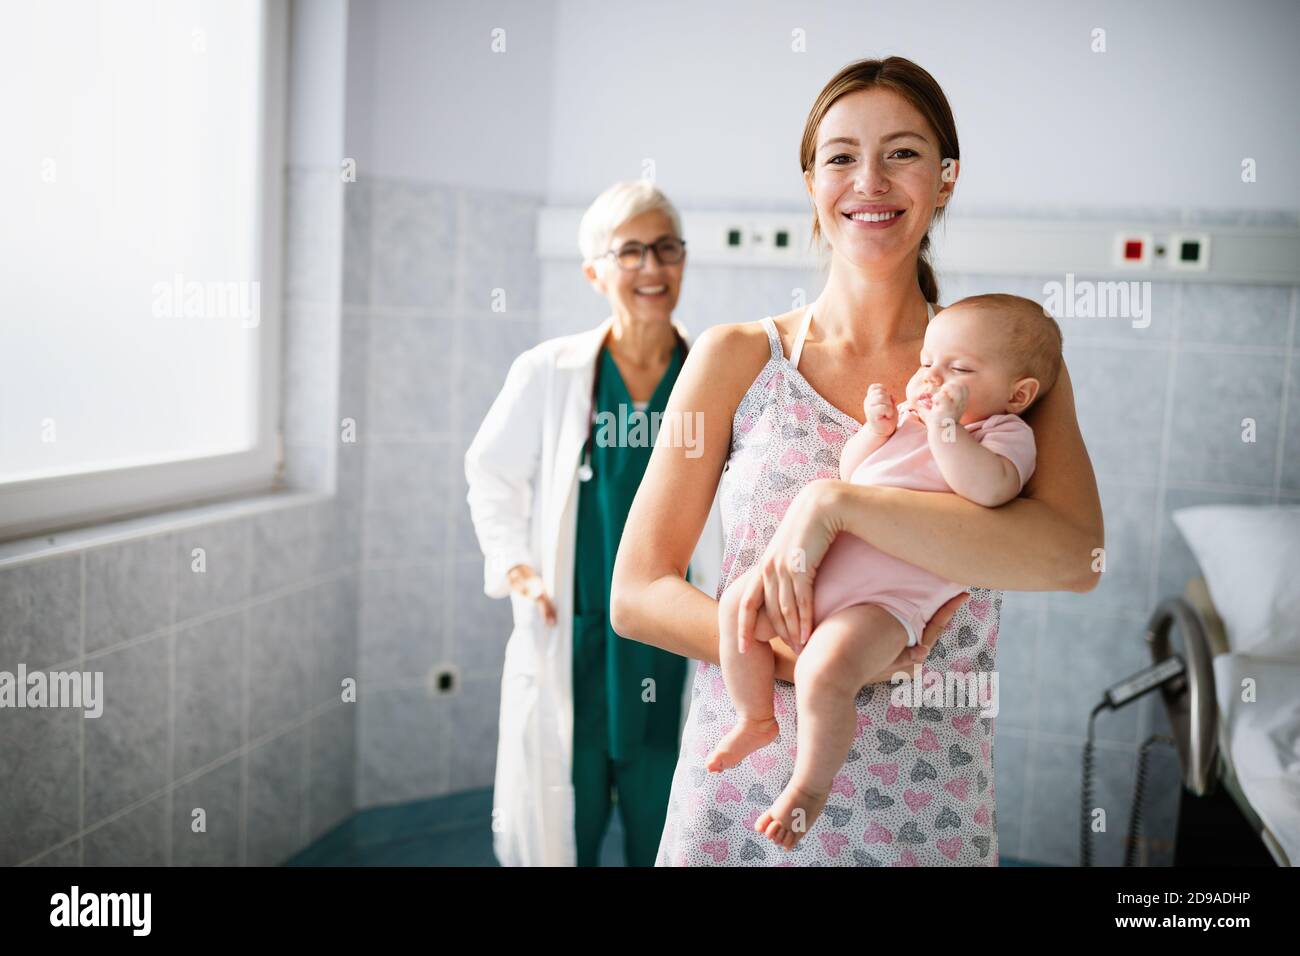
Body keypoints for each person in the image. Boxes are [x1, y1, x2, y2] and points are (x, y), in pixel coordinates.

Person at [610, 57, 1103, 866]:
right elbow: (637, 594)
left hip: (923, 803)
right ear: (811, 181)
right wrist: (808, 665)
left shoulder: (1005, 369)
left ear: (944, 180)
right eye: (840, 156)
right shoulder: (736, 358)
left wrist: (836, 505)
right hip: (744, 799)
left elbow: (1074, 558)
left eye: (902, 153)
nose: (869, 181)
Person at [711, 294, 1061, 849]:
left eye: (959, 370)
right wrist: (875, 430)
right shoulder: (908, 419)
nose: (931, 379)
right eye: (927, 363)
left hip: (886, 602)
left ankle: (808, 786)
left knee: (825, 671)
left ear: (1017, 395)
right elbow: (855, 473)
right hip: (819, 575)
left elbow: (989, 490)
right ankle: (756, 717)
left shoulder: (1001, 436)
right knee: (736, 607)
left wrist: (946, 429)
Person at [464, 180, 723, 866]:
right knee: (560, 824)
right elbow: (490, 473)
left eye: (666, 248)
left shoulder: (714, 375)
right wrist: (516, 567)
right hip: (575, 635)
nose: (651, 268)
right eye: (630, 251)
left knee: (668, 822)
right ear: (594, 272)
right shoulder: (549, 373)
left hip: (675, 641)